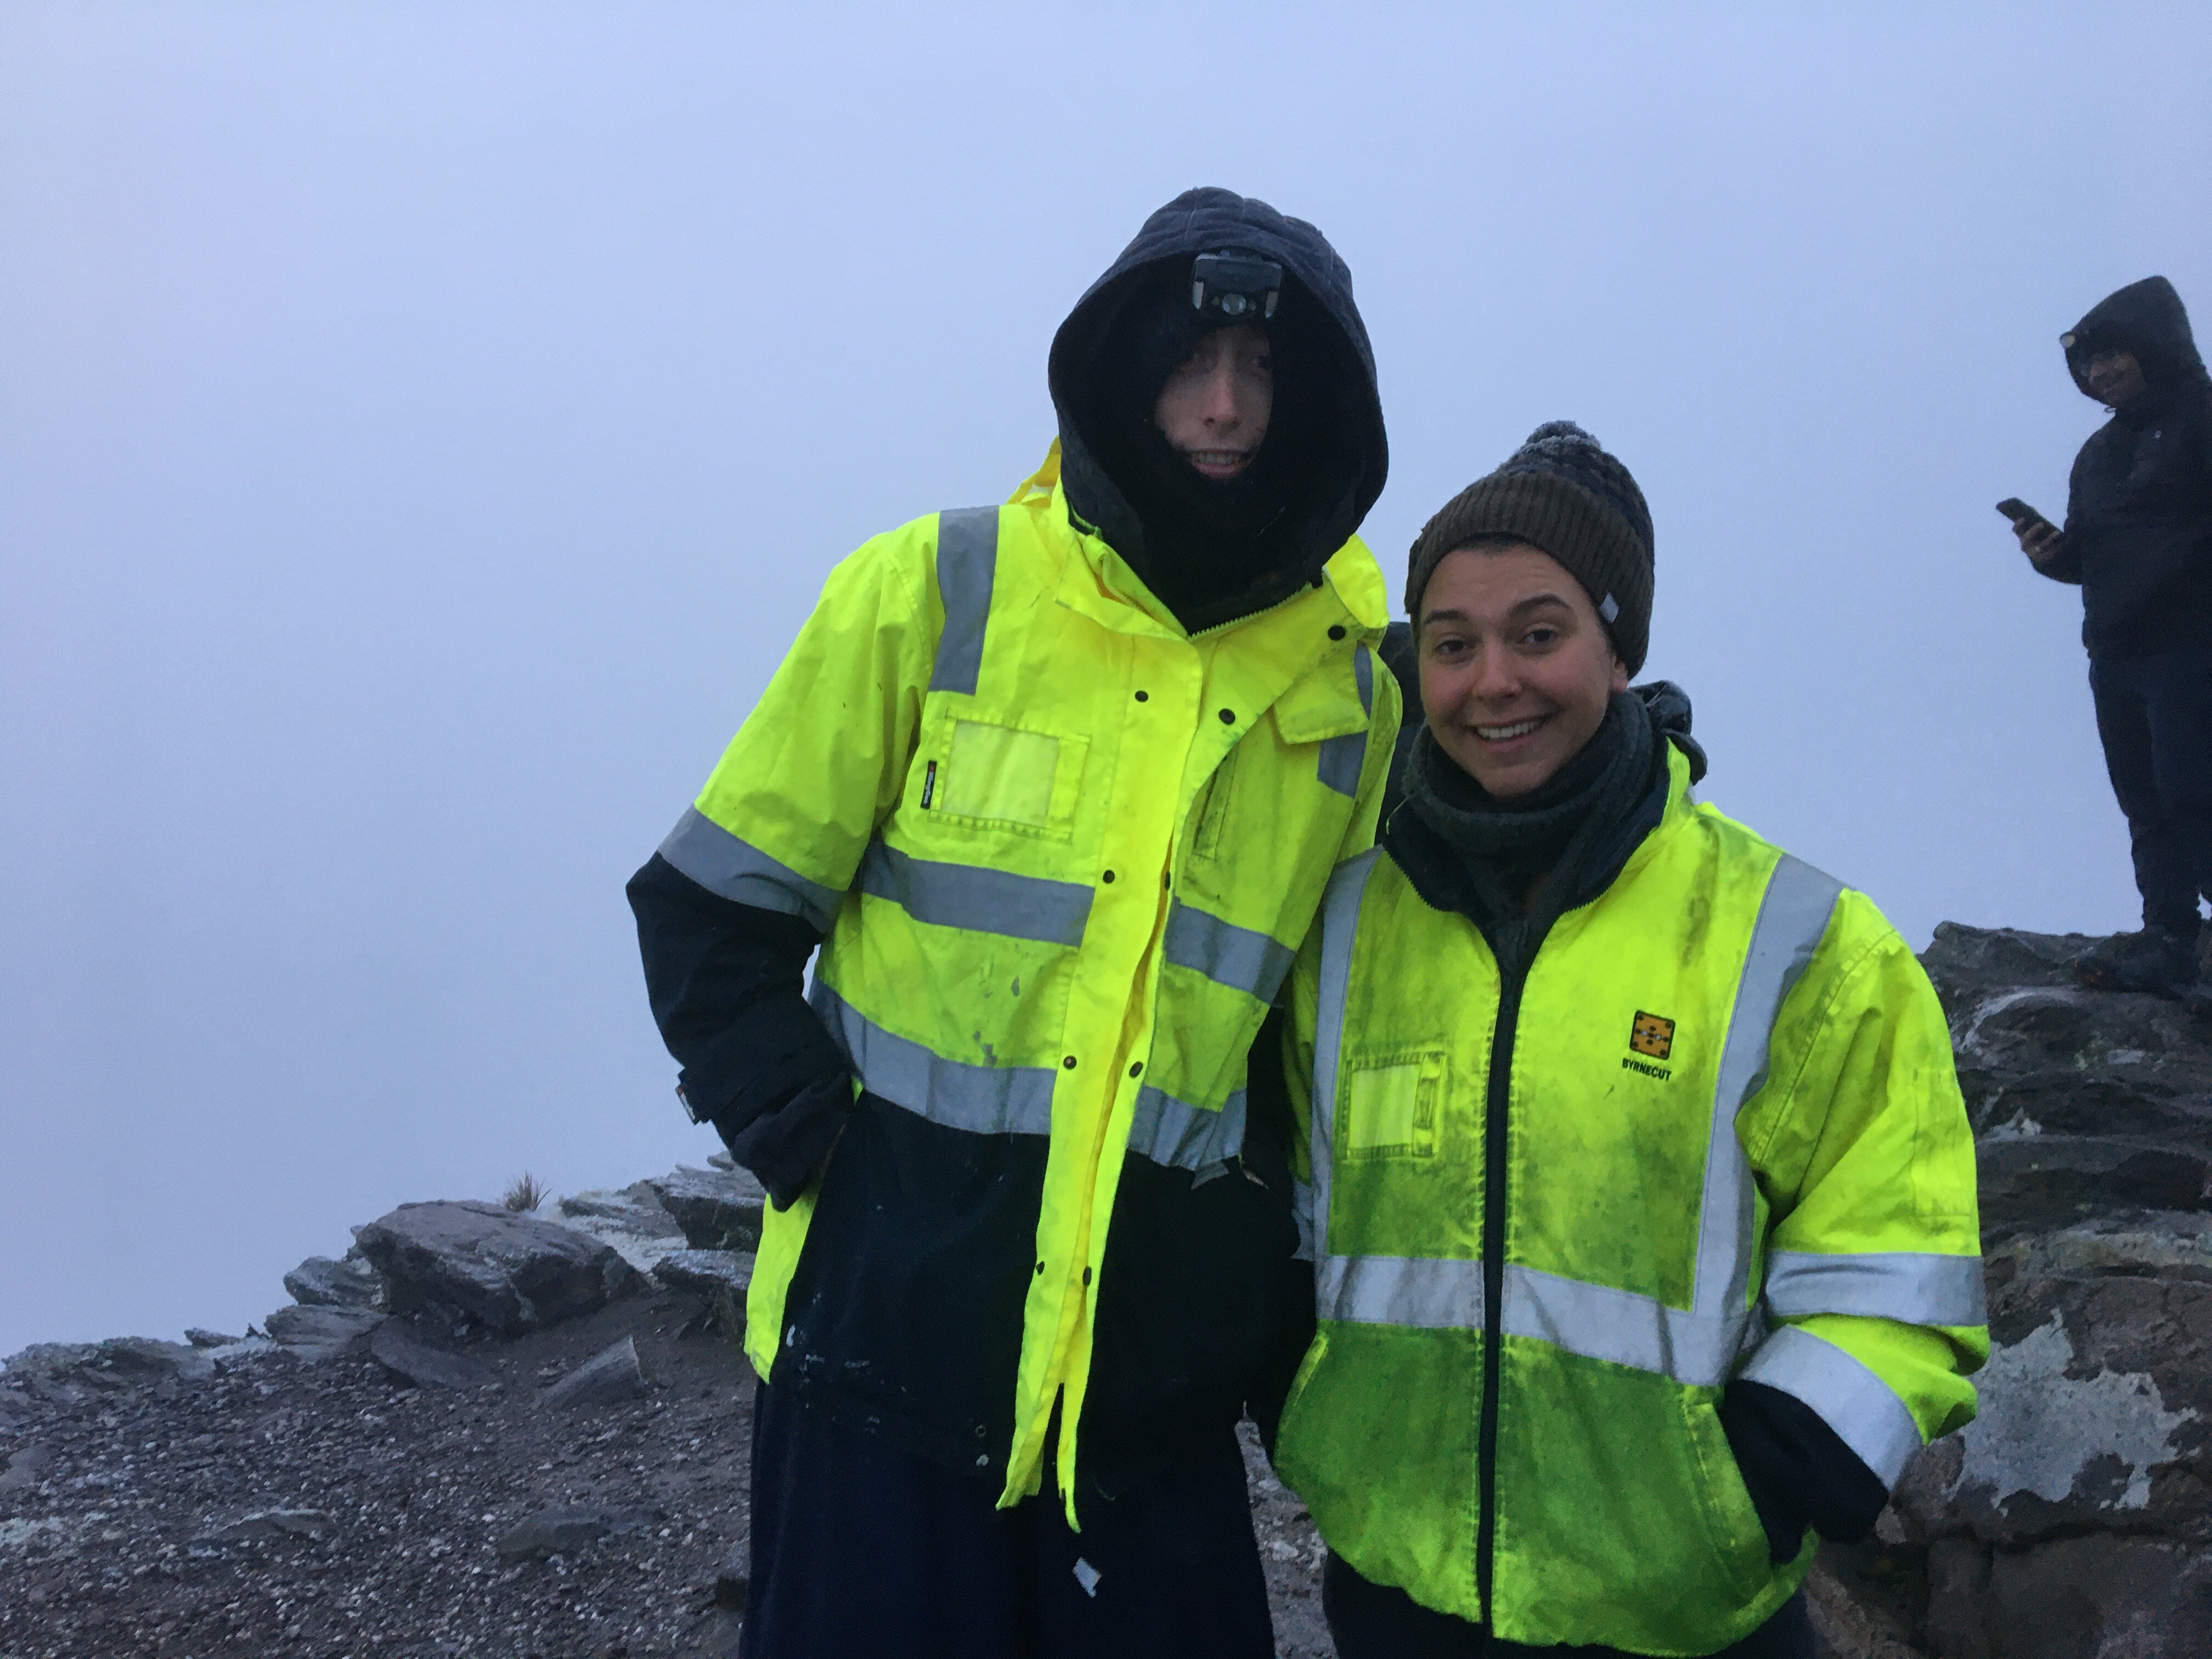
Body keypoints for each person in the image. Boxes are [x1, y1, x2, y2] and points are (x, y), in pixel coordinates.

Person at [625, 187, 1397, 1658]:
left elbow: (1332, 1039)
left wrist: (1247, 1287)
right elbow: (708, 908)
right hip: (875, 1373)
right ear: (1122, 367)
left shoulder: (1356, 692)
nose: (1227, 408)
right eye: (1191, 364)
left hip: (1153, 1416)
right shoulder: (932, 589)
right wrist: (820, 1159)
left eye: (1267, 373)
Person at [1269, 423, 1987, 1657]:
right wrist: (1300, 1403)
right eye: (1452, 645)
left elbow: (1897, 1265)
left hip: (1690, 1617)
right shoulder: (1342, 931)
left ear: (1619, 647)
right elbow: (1293, 1215)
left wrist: (1770, 1483)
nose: (1492, 681)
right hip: (1395, 1596)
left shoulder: (1802, 940)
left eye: (1537, 635)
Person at [2012, 276, 2212, 1000]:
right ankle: (2170, 939)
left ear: (2152, 350)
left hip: (2193, 647)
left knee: (2196, 794)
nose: (2097, 374)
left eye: (2111, 357)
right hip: (2117, 656)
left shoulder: (2202, 415)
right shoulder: (2097, 453)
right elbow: (2094, 557)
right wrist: (2054, 557)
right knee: (2147, 802)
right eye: (2087, 366)